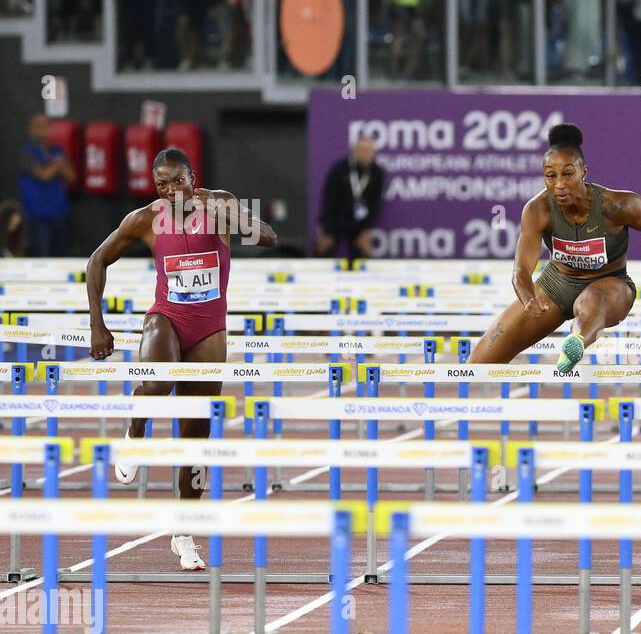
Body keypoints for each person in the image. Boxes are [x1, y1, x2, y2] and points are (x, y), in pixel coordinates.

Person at [85, 148, 278, 570]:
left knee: (195, 435)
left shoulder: (219, 203)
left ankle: (184, 532)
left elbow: (268, 237)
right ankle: (135, 434)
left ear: (194, 176)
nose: (172, 191)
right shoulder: (145, 219)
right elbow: (97, 260)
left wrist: (231, 216)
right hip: (166, 316)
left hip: (210, 328)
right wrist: (97, 324)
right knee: (156, 381)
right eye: (162, 184)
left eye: (178, 181)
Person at [469, 122, 641, 372]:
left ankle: (575, 344)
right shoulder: (537, 210)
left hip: (610, 284)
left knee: (591, 301)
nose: (559, 185)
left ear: (584, 172)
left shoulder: (616, 205)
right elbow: (520, 270)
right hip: (557, 284)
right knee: (476, 366)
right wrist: (528, 298)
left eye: (568, 174)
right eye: (551, 176)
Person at [317, 137, 385, 260]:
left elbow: (376, 204)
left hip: (360, 223)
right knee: (323, 252)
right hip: (337, 219)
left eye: (369, 151)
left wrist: (367, 230)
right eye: (362, 150)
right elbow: (328, 200)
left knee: (363, 255)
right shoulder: (339, 169)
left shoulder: (377, 173)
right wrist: (327, 230)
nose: (366, 154)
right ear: (354, 151)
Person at [19, 115, 75, 257]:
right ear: (30, 130)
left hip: (58, 212)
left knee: (60, 255)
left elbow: (71, 176)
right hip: (37, 214)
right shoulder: (27, 153)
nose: (43, 131)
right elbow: (43, 176)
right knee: (41, 255)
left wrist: (58, 165)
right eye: (38, 127)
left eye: (46, 126)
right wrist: (57, 164)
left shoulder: (57, 150)